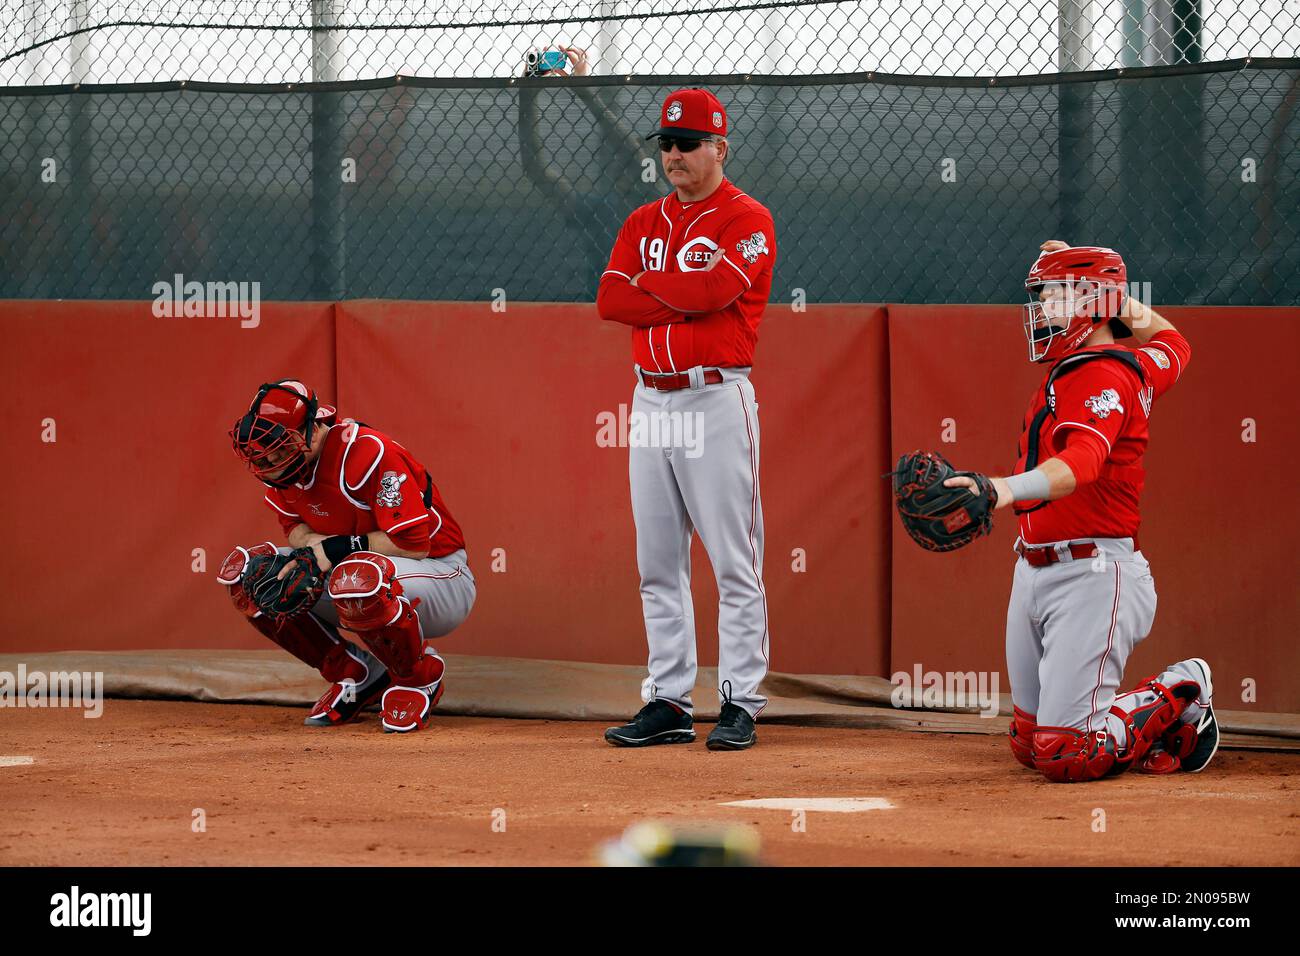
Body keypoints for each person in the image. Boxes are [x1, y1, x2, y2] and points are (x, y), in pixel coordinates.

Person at [944, 241, 1217, 781]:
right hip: (1036, 567)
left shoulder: (1102, 373)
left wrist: (998, 490)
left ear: (1091, 300)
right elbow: (1174, 342)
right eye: (1041, 295)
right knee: (1028, 744)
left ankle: (1184, 686)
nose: (1042, 308)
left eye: (1052, 295)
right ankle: (1111, 721)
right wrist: (1111, 294)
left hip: (1094, 575)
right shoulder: (1127, 361)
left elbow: (1079, 466)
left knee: (1066, 753)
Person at [596, 88, 777, 751]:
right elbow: (608, 301)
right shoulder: (644, 219)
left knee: (734, 560)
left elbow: (717, 291)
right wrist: (671, 298)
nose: (673, 153)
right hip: (651, 400)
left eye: (687, 143)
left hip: (714, 397)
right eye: (666, 143)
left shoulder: (747, 217)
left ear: (719, 149)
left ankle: (741, 702)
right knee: (657, 563)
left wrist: (651, 289)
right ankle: (669, 699)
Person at [217, 380, 474, 733]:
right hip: (360, 571)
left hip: (441, 573)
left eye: (280, 449)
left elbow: (414, 544)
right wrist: (312, 548)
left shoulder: (366, 453)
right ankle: (355, 673)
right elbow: (294, 528)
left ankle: (418, 678)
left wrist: (332, 550)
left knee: (355, 575)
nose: (271, 461)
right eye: (266, 454)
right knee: (250, 576)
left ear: (312, 428)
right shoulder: (281, 469)